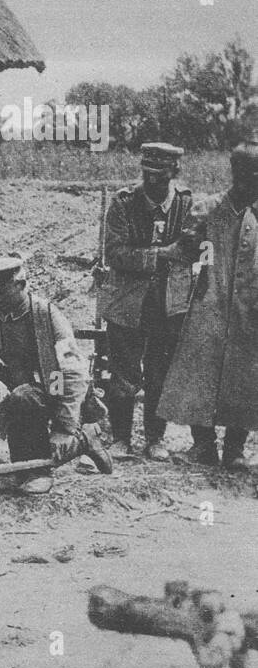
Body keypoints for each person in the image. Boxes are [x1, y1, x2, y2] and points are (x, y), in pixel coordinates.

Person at [0, 256, 112, 494]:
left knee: (21, 399)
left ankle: (39, 472)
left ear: (20, 285)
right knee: (21, 398)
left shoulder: (47, 315)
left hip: (57, 385)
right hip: (29, 390)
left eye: (2, 292)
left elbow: (74, 371)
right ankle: (80, 442)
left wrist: (64, 427)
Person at [98, 143, 203, 461]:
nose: (152, 181)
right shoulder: (123, 202)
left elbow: (194, 247)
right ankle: (120, 439)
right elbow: (114, 253)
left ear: (175, 173)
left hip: (169, 304)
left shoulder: (185, 203)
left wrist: (189, 248)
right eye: (147, 174)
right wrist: (161, 255)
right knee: (124, 375)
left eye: (160, 175)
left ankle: (155, 439)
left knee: (160, 374)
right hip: (127, 302)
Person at [158, 141, 258, 466]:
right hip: (209, 307)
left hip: (250, 310)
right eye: (248, 174)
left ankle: (235, 449)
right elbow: (183, 255)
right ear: (236, 173)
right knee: (199, 374)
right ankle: (202, 446)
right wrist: (184, 301)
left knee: (244, 376)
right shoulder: (209, 209)